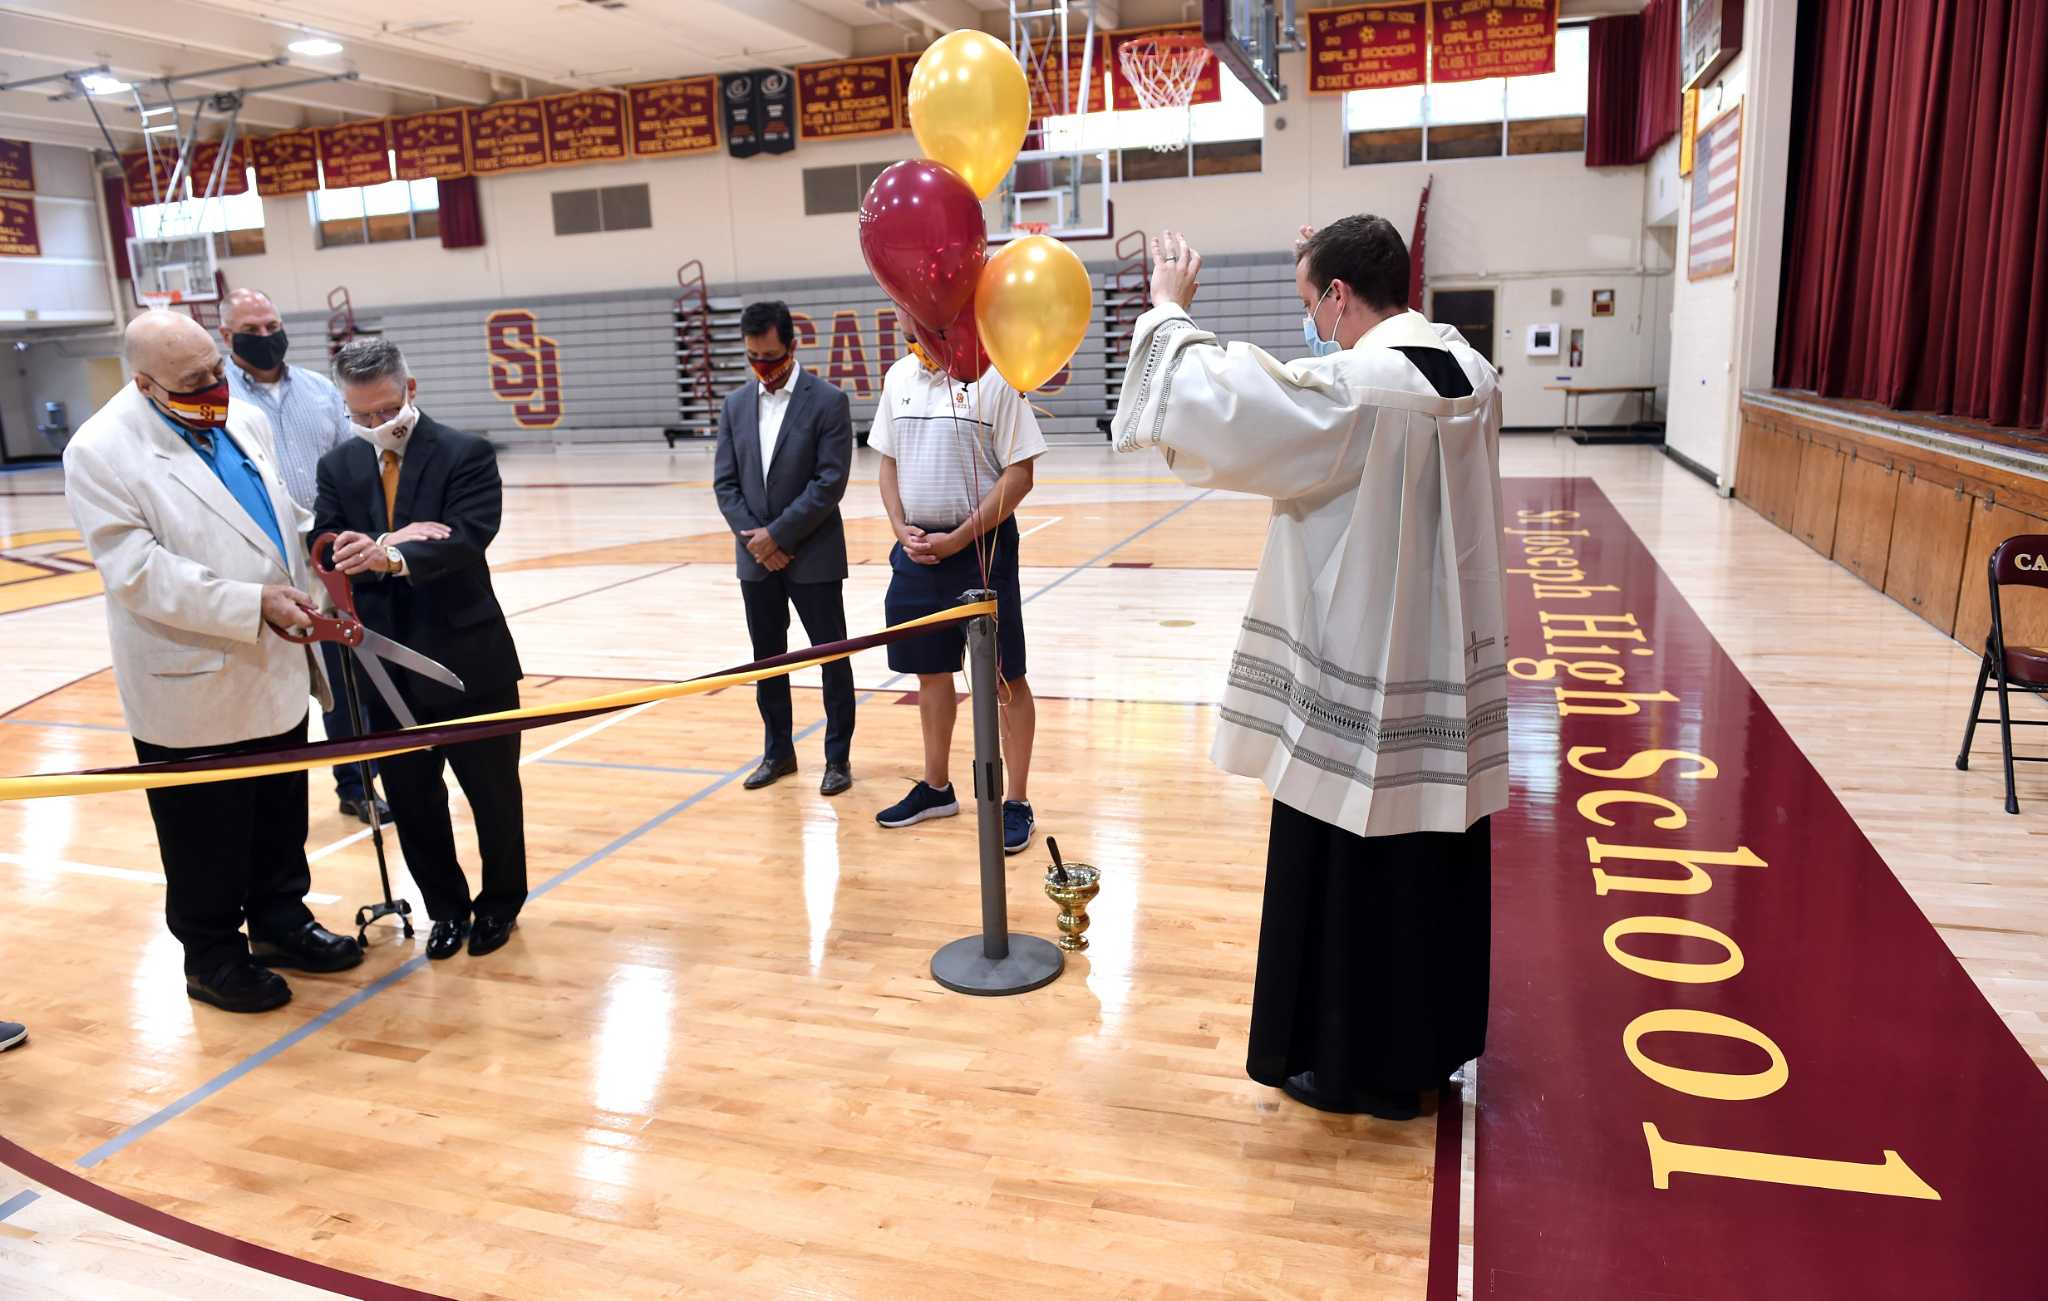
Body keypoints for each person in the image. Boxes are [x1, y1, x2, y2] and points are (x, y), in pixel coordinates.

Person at [1110, 219, 1507, 1120]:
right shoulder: (1468, 369)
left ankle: (1349, 1062)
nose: (1312, 328)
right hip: (1440, 667)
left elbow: (1232, 403)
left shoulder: (1359, 387)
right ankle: (1427, 1050)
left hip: (1358, 667)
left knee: (1348, 864)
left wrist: (1167, 313)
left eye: (1312, 304)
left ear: (1337, 294)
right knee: (1430, 865)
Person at [64, 310, 364, 1013]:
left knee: (278, 809)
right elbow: (135, 570)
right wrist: (250, 601)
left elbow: (278, 516)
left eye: (215, 368)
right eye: (193, 379)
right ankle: (212, 955)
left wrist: (329, 567)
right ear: (144, 383)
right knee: (206, 832)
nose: (215, 385)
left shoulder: (238, 418)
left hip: (277, 659)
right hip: (190, 673)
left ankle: (281, 921)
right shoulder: (101, 451)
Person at [314, 337, 526, 961]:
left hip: (467, 658)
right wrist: (391, 538)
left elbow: (467, 538)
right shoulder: (339, 467)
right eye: (363, 415)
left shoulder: (466, 453)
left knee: (493, 793)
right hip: (380, 668)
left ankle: (500, 903)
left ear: (411, 390)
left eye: (385, 409)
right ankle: (446, 909)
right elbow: (328, 549)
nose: (377, 424)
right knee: (412, 798)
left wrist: (388, 554)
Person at [870, 328, 1045, 856]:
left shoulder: (994, 375)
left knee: (1003, 675)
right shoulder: (898, 376)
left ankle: (1015, 801)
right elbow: (887, 462)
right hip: (918, 552)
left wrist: (961, 537)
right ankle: (937, 788)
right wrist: (901, 527)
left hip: (980, 549)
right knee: (929, 671)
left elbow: (1021, 474)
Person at [219, 287, 388, 825]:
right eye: (254, 329)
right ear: (227, 336)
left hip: (328, 556)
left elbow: (359, 463)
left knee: (348, 678)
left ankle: (357, 783)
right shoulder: (216, 399)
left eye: (273, 326)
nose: (267, 338)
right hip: (256, 564)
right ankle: (258, 794)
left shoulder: (321, 390)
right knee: (262, 682)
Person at [712, 300, 857, 797]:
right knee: (766, 659)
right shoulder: (734, 406)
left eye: (770, 357)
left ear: (793, 347)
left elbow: (829, 482)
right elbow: (725, 485)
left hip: (812, 556)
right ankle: (778, 752)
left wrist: (780, 535)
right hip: (756, 560)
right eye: (752, 357)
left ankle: (837, 758)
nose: (762, 368)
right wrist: (758, 541)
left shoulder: (828, 401)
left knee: (831, 656)